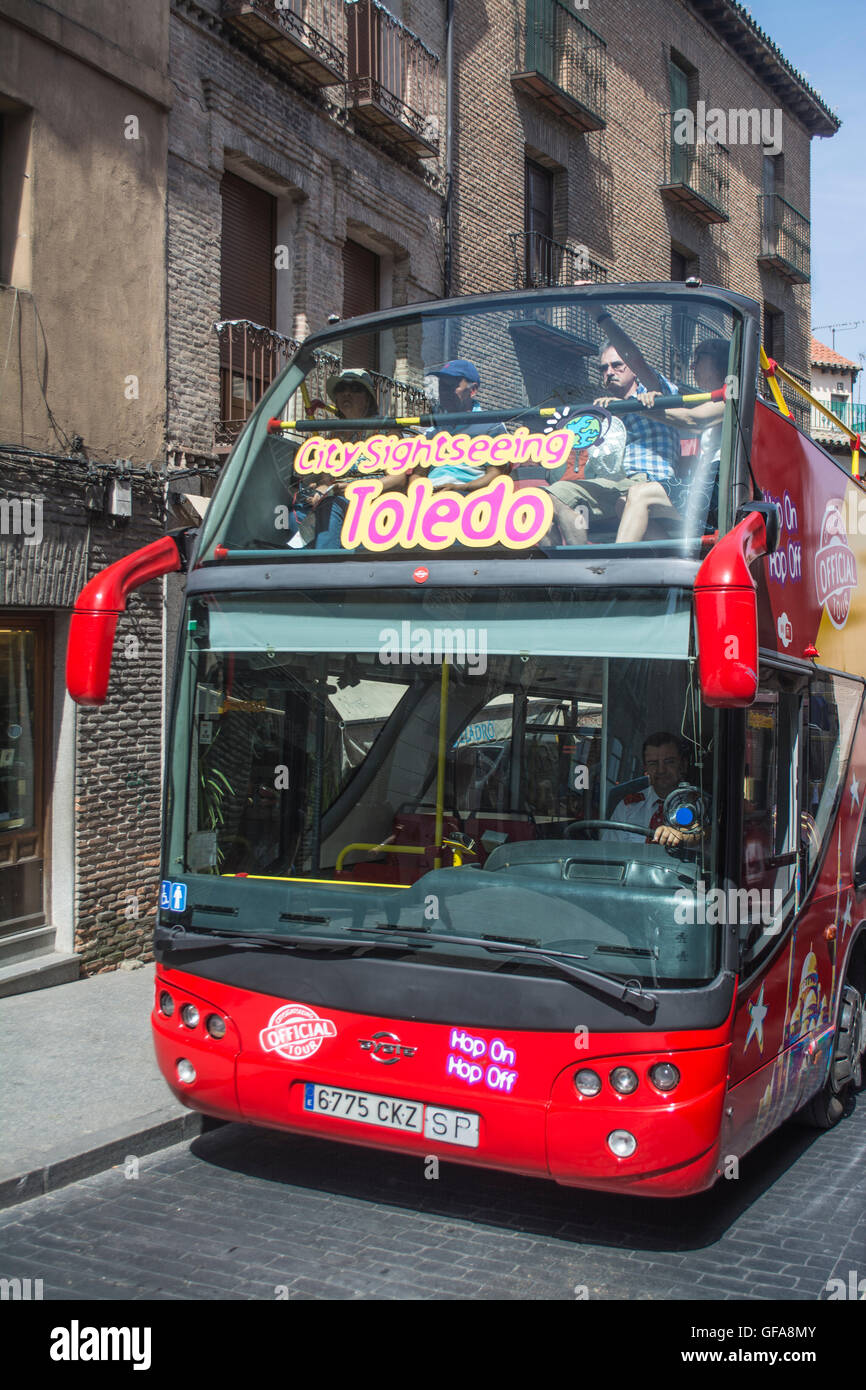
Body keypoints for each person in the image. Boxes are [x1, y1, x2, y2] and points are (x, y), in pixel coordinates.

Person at [547, 317, 681, 543]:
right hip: (614, 486)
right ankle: (580, 566)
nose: (609, 372)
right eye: (603, 368)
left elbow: (640, 363)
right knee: (552, 498)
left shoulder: (654, 393)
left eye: (617, 365)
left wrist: (598, 314)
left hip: (650, 482)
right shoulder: (603, 411)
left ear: (634, 370)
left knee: (625, 498)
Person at [614, 338, 729, 544]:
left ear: (720, 360)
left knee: (639, 494)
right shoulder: (715, 400)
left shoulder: (737, 397)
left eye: (699, 358)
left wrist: (642, 407)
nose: (692, 366)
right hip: (704, 482)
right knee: (623, 503)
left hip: (720, 486)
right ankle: (668, 561)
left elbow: (692, 419)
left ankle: (613, 569)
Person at [288, 368, 403, 549]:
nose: (346, 394)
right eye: (341, 389)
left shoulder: (386, 430)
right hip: (337, 495)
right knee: (299, 513)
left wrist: (356, 488)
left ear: (368, 398)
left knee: (331, 506)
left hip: (373, 498)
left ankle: (325, 570)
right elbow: (327, 477)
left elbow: (398, 478)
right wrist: (322, 489)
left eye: (355, 389)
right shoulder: (334, 434)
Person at [602, 731, 702, 847]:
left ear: (683, 765)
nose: (661, 770)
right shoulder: (628, 807)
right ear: (646, 769)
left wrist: (683, 837)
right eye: (653, 763)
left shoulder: (697, 804)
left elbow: (703, 837)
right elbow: (608, 851)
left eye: (669, 762)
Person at [423, 359, 508, 492]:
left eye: (452, 386)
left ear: (472, 390)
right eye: (443, 387)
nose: (446, 392)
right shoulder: (431, 432)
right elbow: (418, 474)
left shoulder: (491, 426)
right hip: (428, 498)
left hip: (469, 500)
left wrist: (461, 488)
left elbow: (496, 474)